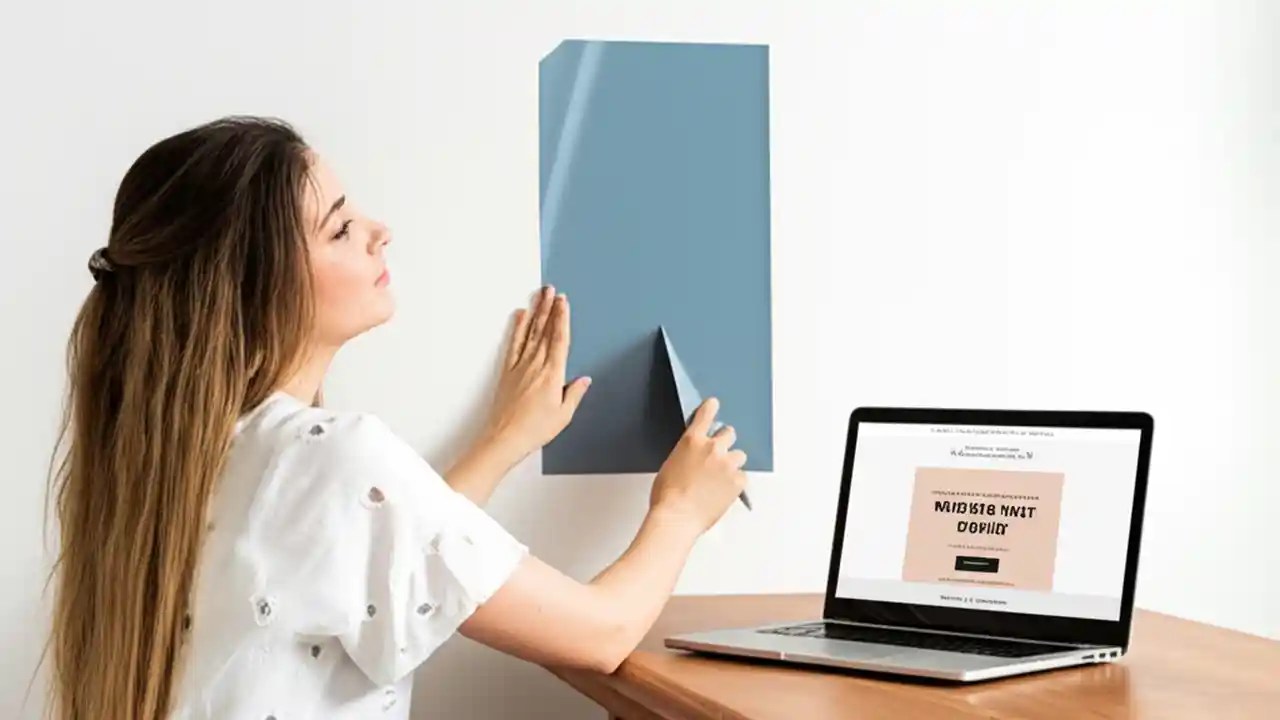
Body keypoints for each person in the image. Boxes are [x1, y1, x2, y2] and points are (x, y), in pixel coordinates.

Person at [44, 116, 748, 719]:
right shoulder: (331, 456)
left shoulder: (199, 455)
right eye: (341, 227)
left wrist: (502, 442)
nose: (380, 232)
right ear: (262, 284)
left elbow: (378, 553)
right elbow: (601, 634)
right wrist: (681, 508)